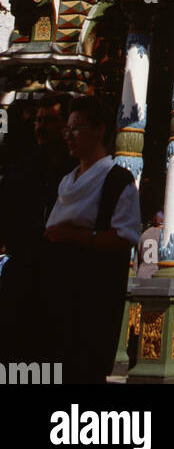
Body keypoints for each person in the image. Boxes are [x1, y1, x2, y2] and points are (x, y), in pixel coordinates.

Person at [39, 96, 142, 383]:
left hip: (92, 295)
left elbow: (124, 236)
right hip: (57, 289)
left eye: (77, 128)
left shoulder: (117, 181)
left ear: (99, 130)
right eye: (67, 129)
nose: (69, 136)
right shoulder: (66, 179)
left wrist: (74, 235)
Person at [0, 93, 76, 359]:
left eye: (49, 120)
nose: (40, 127)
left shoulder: (76, 170)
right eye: (38, 121)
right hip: (23, 272)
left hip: (60, 279)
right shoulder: (23, 167)